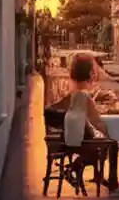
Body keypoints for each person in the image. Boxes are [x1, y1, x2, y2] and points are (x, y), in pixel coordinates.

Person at [45, 53, 108, 187]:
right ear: (90, 73)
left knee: (100, 142)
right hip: (82, 140)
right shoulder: (84, 96)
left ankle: (76, 167)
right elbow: (96, 121)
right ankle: (78, 168)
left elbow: (53, 109)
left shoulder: (70, 93)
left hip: (66, 138)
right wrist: (109, 133)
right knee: (107, 144)